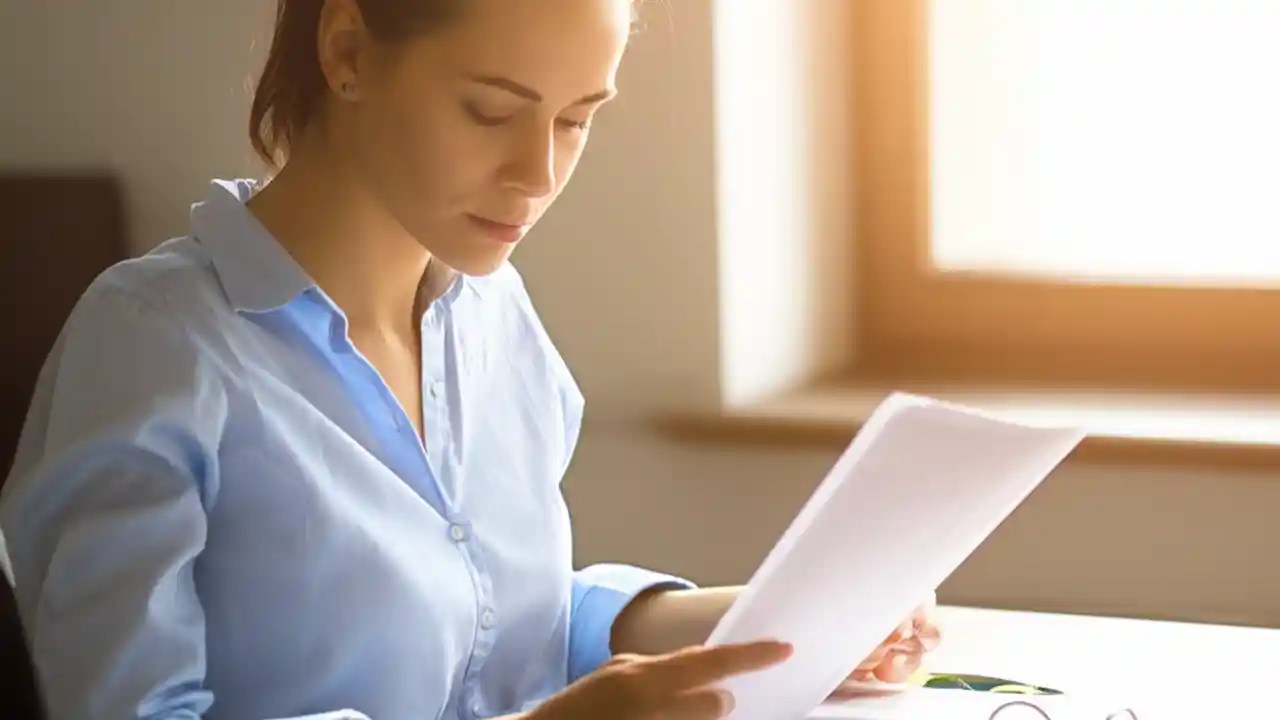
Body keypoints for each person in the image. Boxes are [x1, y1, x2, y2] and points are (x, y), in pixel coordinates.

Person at [0, 1, 941, 718]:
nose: (539, 175)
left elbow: (493, 621)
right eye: (493, 112)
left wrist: (770, 627)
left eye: (576, 120)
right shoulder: (154, 346)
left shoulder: (491, 313)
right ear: (347, 51)